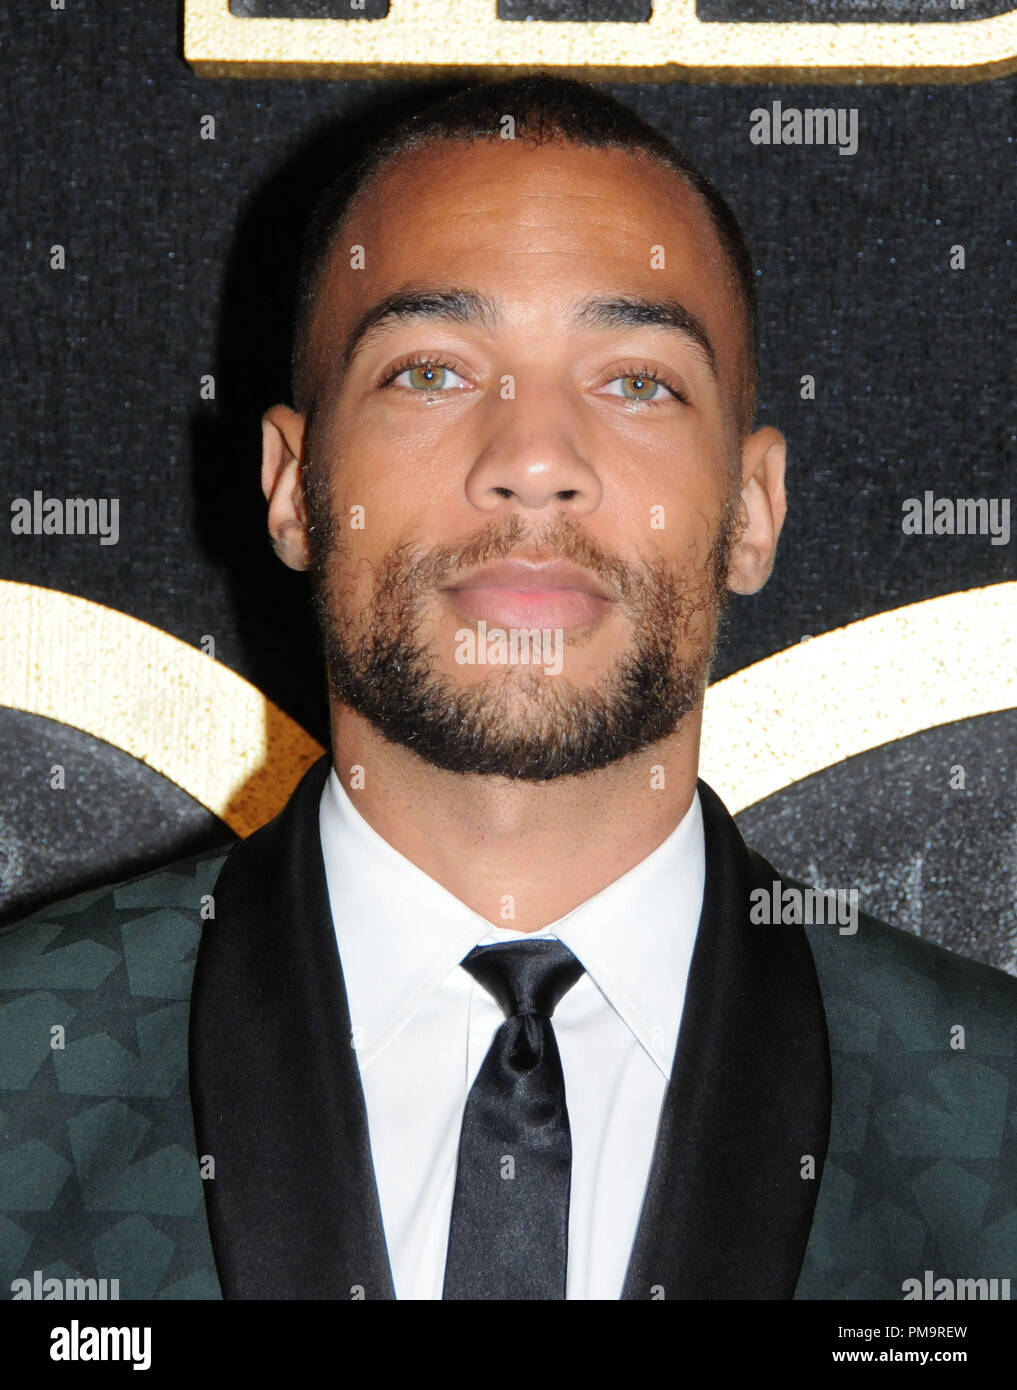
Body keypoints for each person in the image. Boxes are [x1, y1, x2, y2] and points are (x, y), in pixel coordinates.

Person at [2, 75, 1015, 1304]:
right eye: (431, 371)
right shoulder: (22, 1073)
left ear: (752, 511)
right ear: (290, 485)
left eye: (636, 379)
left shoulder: (991, 1117)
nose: (534, 461)